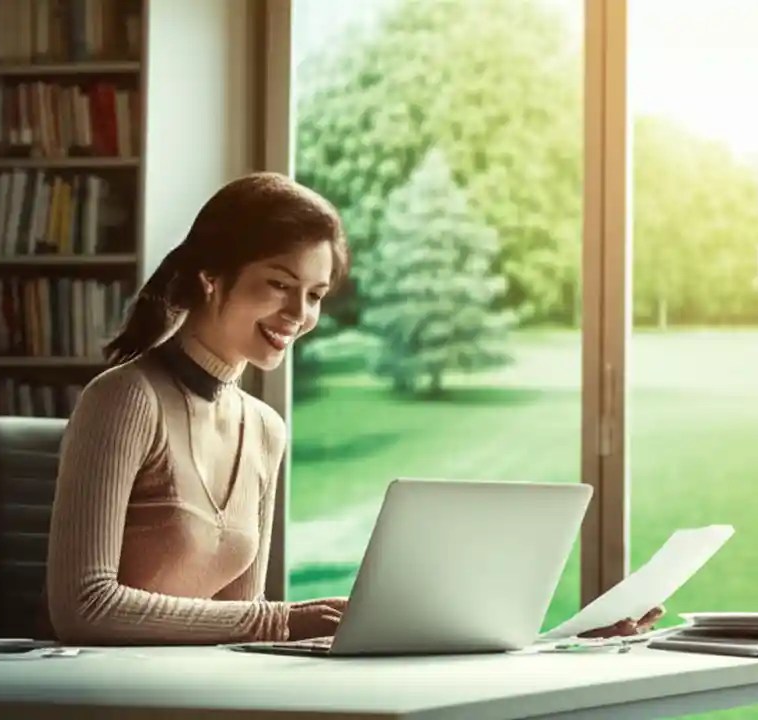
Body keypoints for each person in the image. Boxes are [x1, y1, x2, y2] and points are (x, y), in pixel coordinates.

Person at [46, 171, 662, 645]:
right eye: (279, 285)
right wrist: (284, 622)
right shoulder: (125, 399)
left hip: (203, 695)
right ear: (212, 276)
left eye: (314, 295)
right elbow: (83, 605)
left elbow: (237, 624)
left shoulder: (263, 430)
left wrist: (564, 644)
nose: (298, 316)